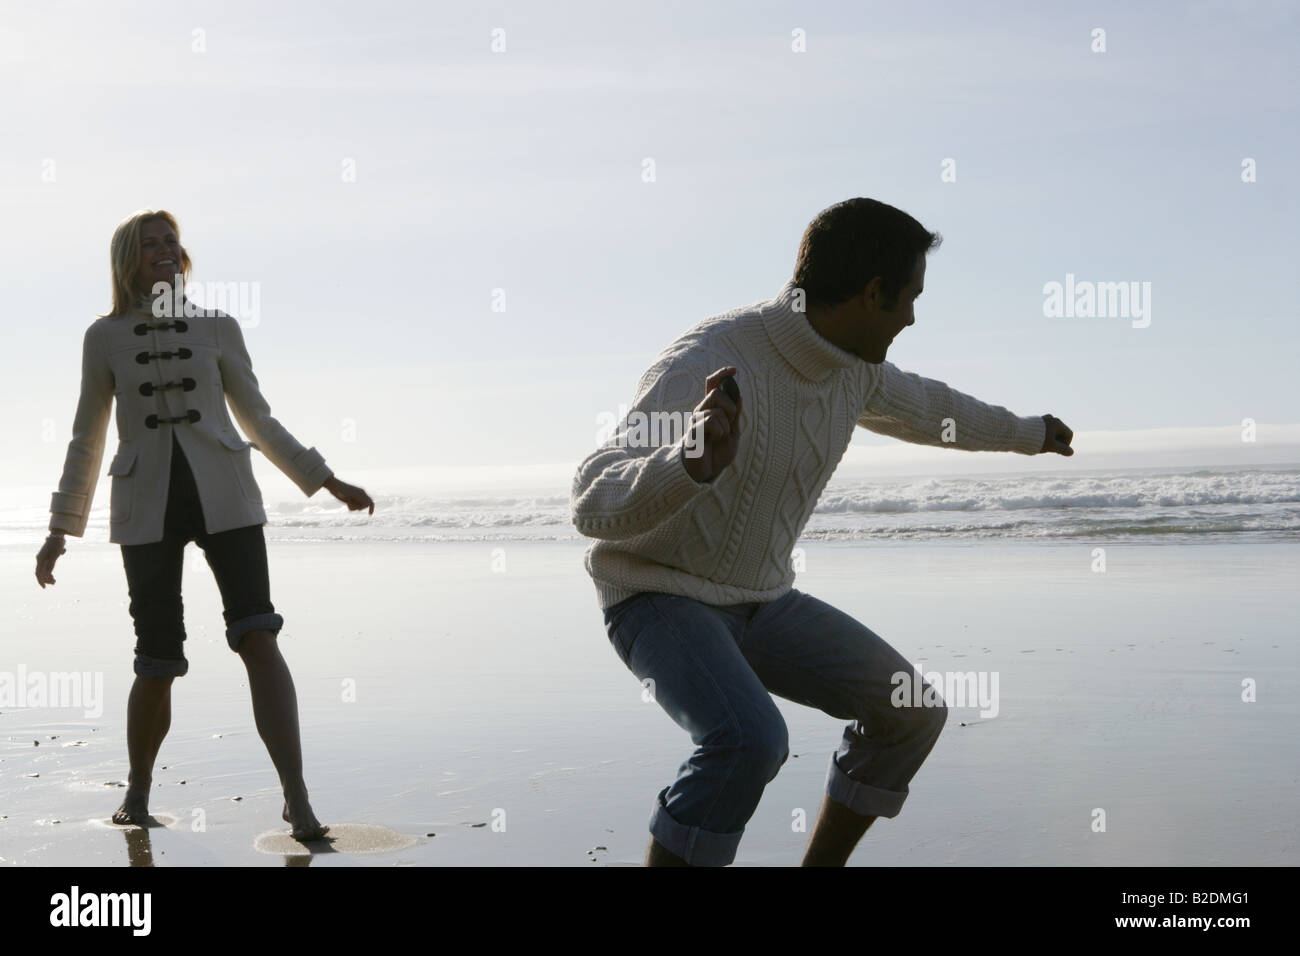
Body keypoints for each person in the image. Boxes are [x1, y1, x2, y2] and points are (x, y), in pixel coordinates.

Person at [570, 197, 1074, 866]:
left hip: (762, 600)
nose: (911, 318)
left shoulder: (852, 370)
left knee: (910, 711)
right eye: (909, 300)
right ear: (872, 293)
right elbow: (593, 500)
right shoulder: (708, 361)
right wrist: (685, 463)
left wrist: (1031, 433)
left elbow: (935, 410)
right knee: (749, 740)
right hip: (656, 597)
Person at [34, 209, 375, 840]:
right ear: (128, 259)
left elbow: (258, 419)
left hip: (226, 497)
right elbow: (87, 435)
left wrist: (325, 478)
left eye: (171, 241)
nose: (165, 250)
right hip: (146, 506)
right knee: (156, 657)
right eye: (150, 244)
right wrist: (60, 529)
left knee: (258, 635)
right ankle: (138, 789)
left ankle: (296, 795)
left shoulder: (219, 327)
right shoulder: (103, 337)